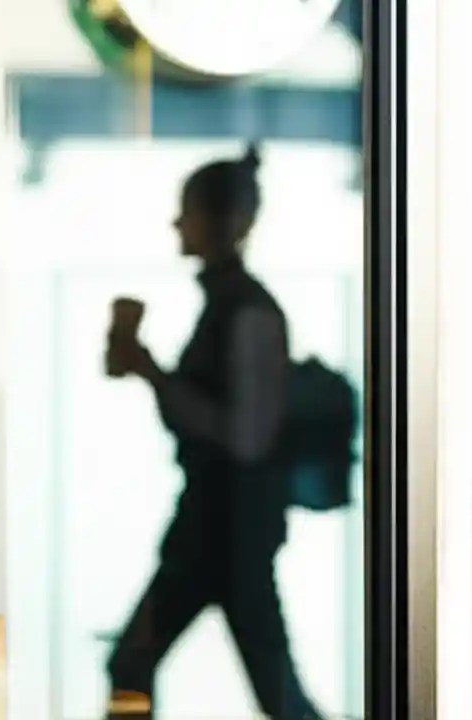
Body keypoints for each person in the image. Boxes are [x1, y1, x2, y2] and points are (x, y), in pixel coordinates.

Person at [104, 145, 320, 720]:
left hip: (230, 531)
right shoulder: (232, 306)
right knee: (272, 690)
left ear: (221, 223)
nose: (178, 224)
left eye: (189, 211)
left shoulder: (249, 312)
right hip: (219, 526)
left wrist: (153, 373)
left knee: (138, 665)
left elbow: (247, 437)